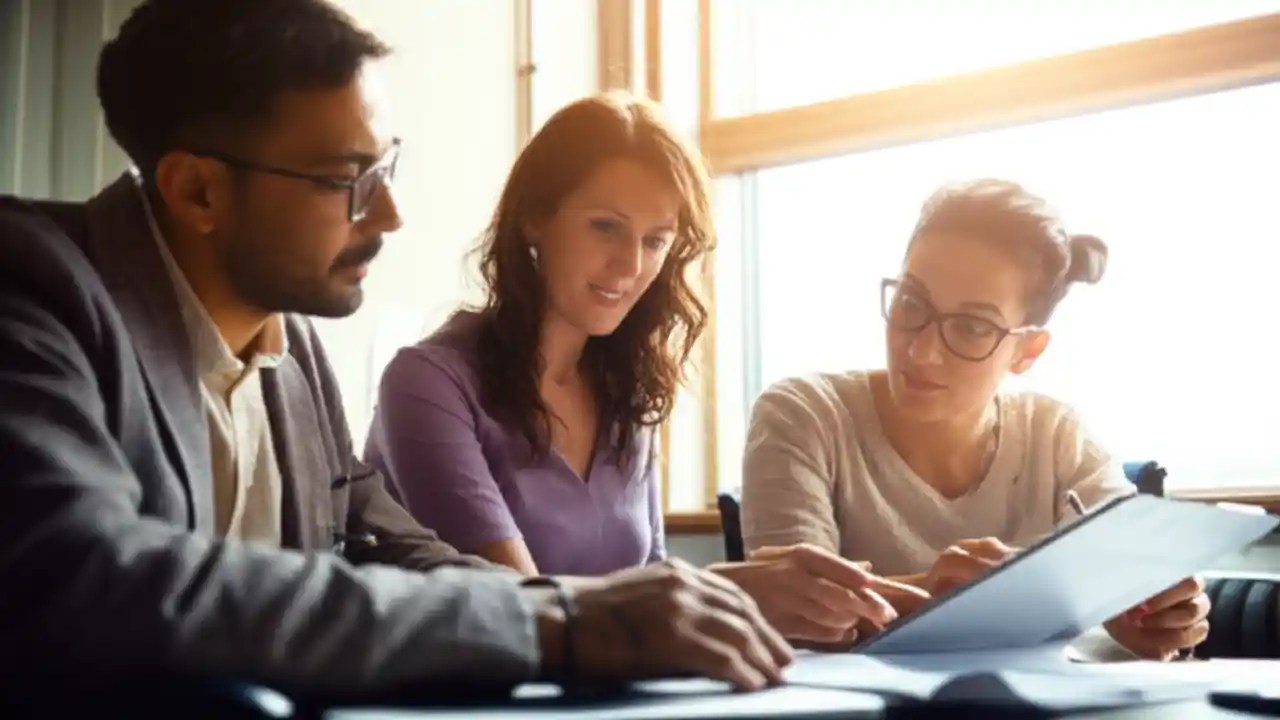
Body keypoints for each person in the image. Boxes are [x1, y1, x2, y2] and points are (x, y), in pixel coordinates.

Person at [0, 0, 801, 697]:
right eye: (348, 178)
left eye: (386, 166)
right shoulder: (32, 288)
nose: (388, 214)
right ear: (197, 190)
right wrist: (561, 624)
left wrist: (607, 614)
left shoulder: (294, 354)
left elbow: (393, 545)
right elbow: (90, 576)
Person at [365, 91, 921, 647]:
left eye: (656, 241)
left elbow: (651, 577)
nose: (631, 266)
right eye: (606, 227)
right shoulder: (426, 385)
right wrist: (740, 591)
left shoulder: (626, 395)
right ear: (535, 218)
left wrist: (869, 595)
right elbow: (518, 613)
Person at [741, 179, 1210, 660]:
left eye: (971, 327)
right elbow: (793, 611)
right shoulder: (806, 413)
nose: (921, 352)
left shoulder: (1058, 435)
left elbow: (1132, 570)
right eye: (911, 304)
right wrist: (935, 592)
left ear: (1027, 350)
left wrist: (1157, 613)